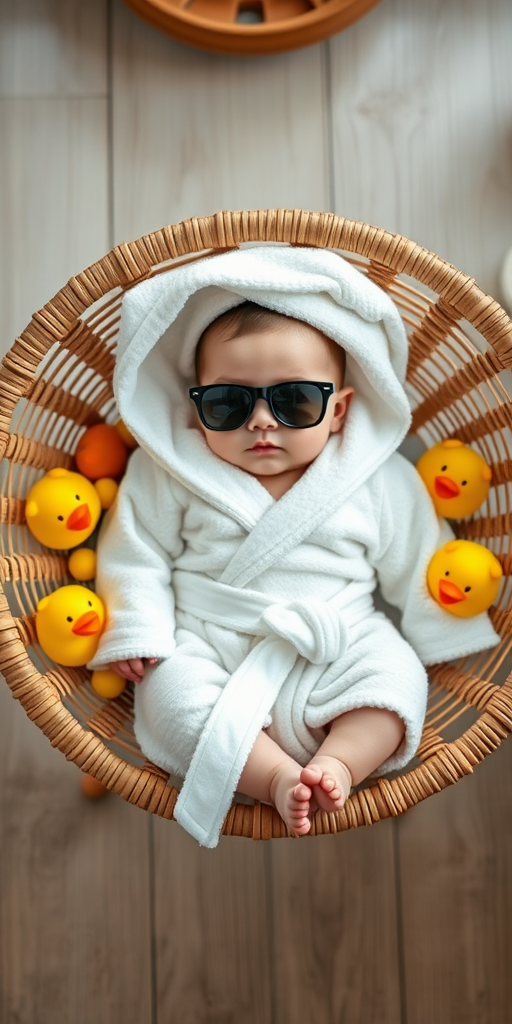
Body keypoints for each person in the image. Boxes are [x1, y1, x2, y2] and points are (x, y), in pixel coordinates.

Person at [89, 245, 499, 847]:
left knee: (395, 681)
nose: (260, 421)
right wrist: (138, 628)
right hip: (208, 639)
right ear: (196, 409)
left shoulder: (376, 479)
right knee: (169, 698)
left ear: (339, 411)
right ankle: (274, 775)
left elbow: (420, 553)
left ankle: (339, 764)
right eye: (228, 402)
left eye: (295, 401)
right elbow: (134, 549)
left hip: (340, 637)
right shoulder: (168, 470)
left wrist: (440, 628)